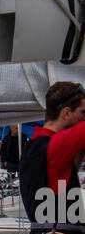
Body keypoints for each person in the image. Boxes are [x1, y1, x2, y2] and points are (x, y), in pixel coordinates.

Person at [18, 82, 85, 226]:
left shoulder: (34, 145)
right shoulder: (56, 146)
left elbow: (60, 181)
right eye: (83, 113)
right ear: (67, 113)